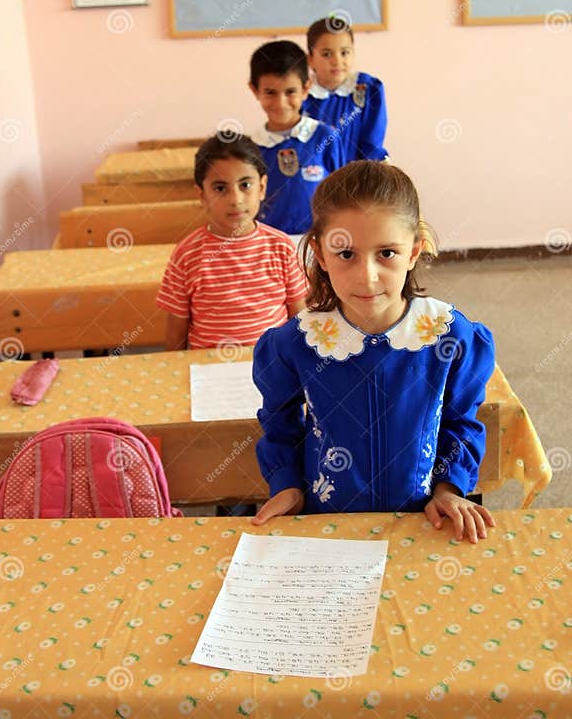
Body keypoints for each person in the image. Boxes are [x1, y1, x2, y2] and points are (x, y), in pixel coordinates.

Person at [251, 160, 496, 543]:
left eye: (387, 253)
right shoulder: (297, 342)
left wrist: (450, 489)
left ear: (414, 251)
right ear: (319, 251)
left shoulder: (450, 337)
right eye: (346, 254)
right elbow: (279, 423)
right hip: (325, 526)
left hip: (423, 524)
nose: (367, 276)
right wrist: (288, 485)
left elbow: (460, 422)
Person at [156, 134, 306, 351]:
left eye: (245, 185)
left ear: (262, 188)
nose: (235, 199)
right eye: (220, 188)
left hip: (273, 370)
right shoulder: (186, 255)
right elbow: (175, 338)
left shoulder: (281, 247)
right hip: (211, 373)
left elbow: (298, 321)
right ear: (202, 195)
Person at [249, 40, 344, 236]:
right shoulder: (251, 148)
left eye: (290, 92)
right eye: (270, 92)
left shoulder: (325, 138)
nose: (281, 102)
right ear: (254, 90)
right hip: (268, 246)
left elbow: (343, 194)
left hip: (319, 242)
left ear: (306, 88)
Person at [302, 15, 388, 163]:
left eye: (344, 52)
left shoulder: (367, 89)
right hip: (316, 177)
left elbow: (372, 143)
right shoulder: (302, 94)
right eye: (327, 54)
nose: (337, 61)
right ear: (310, 59)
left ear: (353, 53)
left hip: (357, 176)